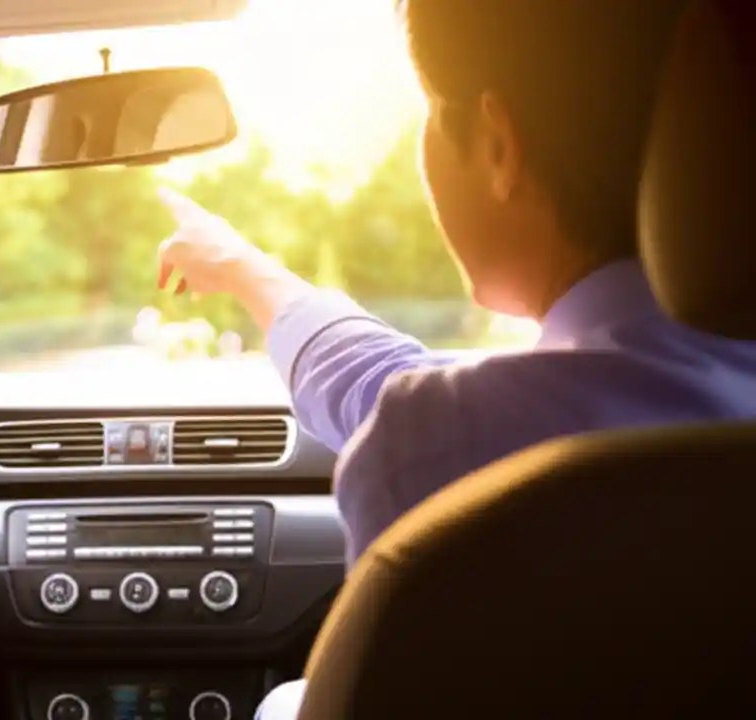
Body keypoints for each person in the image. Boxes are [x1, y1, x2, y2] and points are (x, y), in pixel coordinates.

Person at [154, 1, 756, 716]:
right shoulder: (455, 428)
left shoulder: (436, 446)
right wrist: (250, 272)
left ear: (499, 143)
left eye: (433, 112)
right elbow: (390, 389)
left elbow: (419, 413)